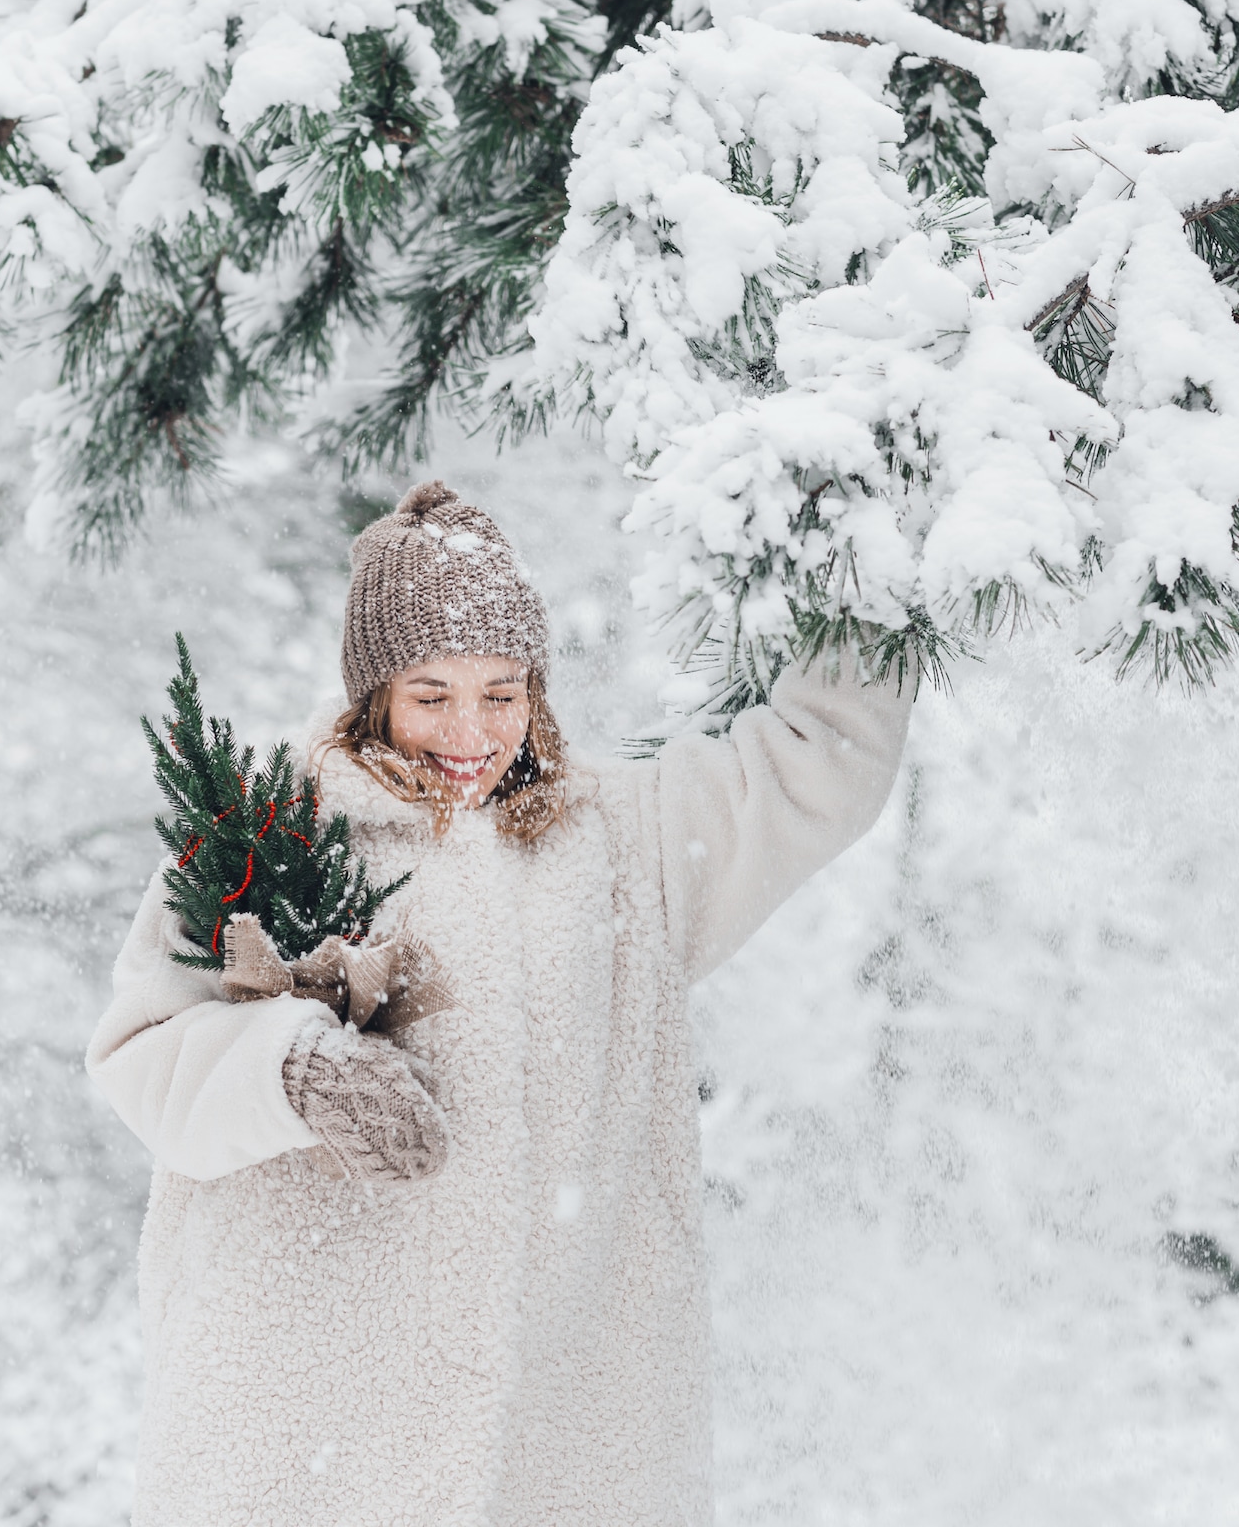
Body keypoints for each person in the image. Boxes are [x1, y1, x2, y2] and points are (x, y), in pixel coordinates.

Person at [85, 479, 915, 1525]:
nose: (470, 731)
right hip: (306, 1423)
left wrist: (869, 528)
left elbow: (815, 763)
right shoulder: (270, 829)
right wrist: (291, 1067)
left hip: (559, 1423)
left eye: (502, 691)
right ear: (372, 691)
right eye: (431, 694)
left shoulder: (623, 839)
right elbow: (141, 1048)